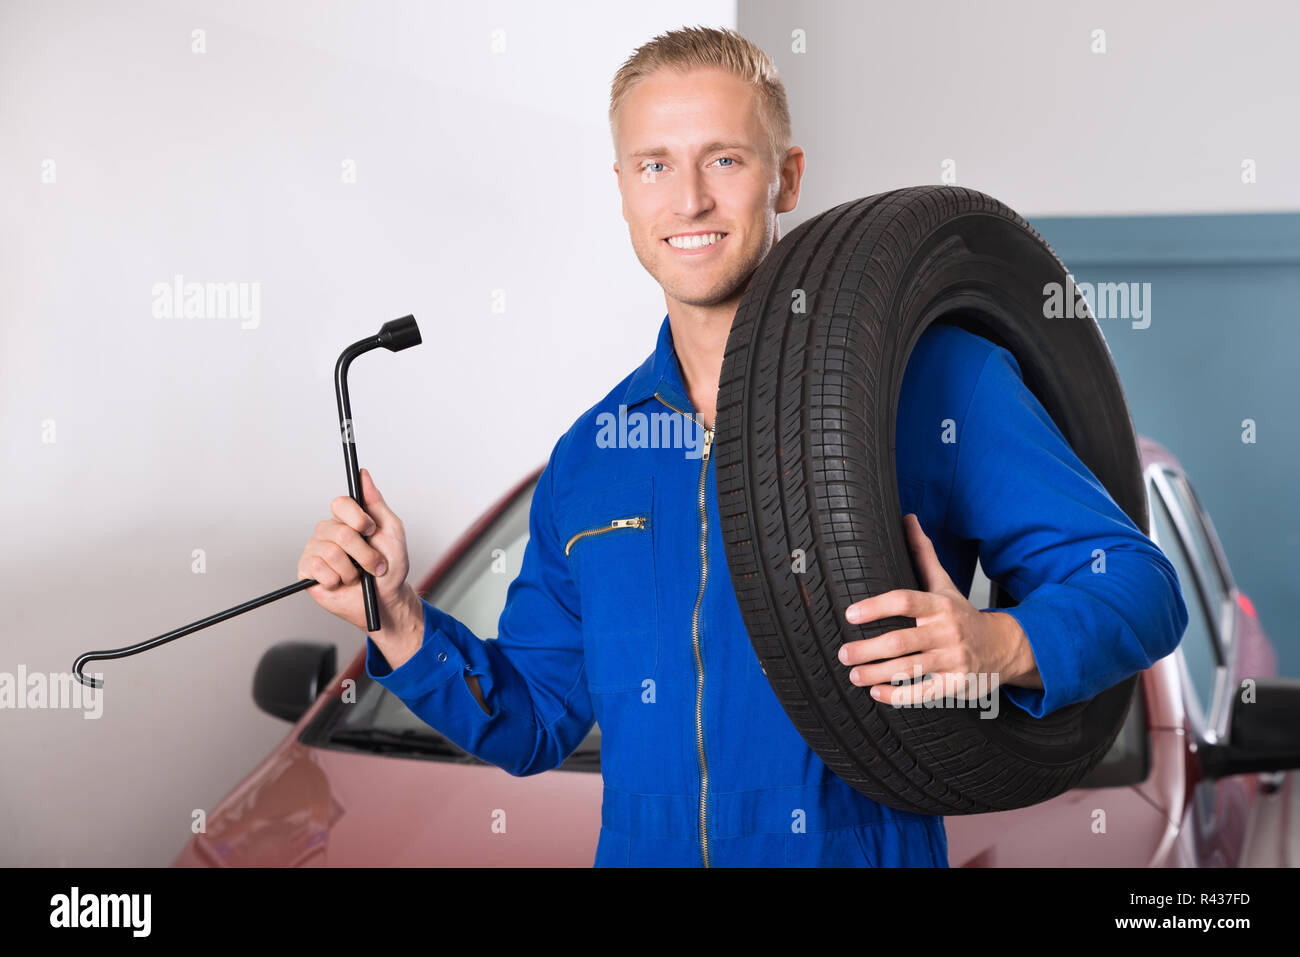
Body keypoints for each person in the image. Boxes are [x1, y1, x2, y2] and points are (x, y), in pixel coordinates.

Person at [297, 25, 1188, 867]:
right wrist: (403, 617)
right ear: (622, 188)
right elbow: (534, 722)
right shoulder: (593, 456)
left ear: (787, 177)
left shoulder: (936, 384)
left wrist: (997, 644)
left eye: (724, 158)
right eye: (655, 165)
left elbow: (1139, 586)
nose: (688, 200)